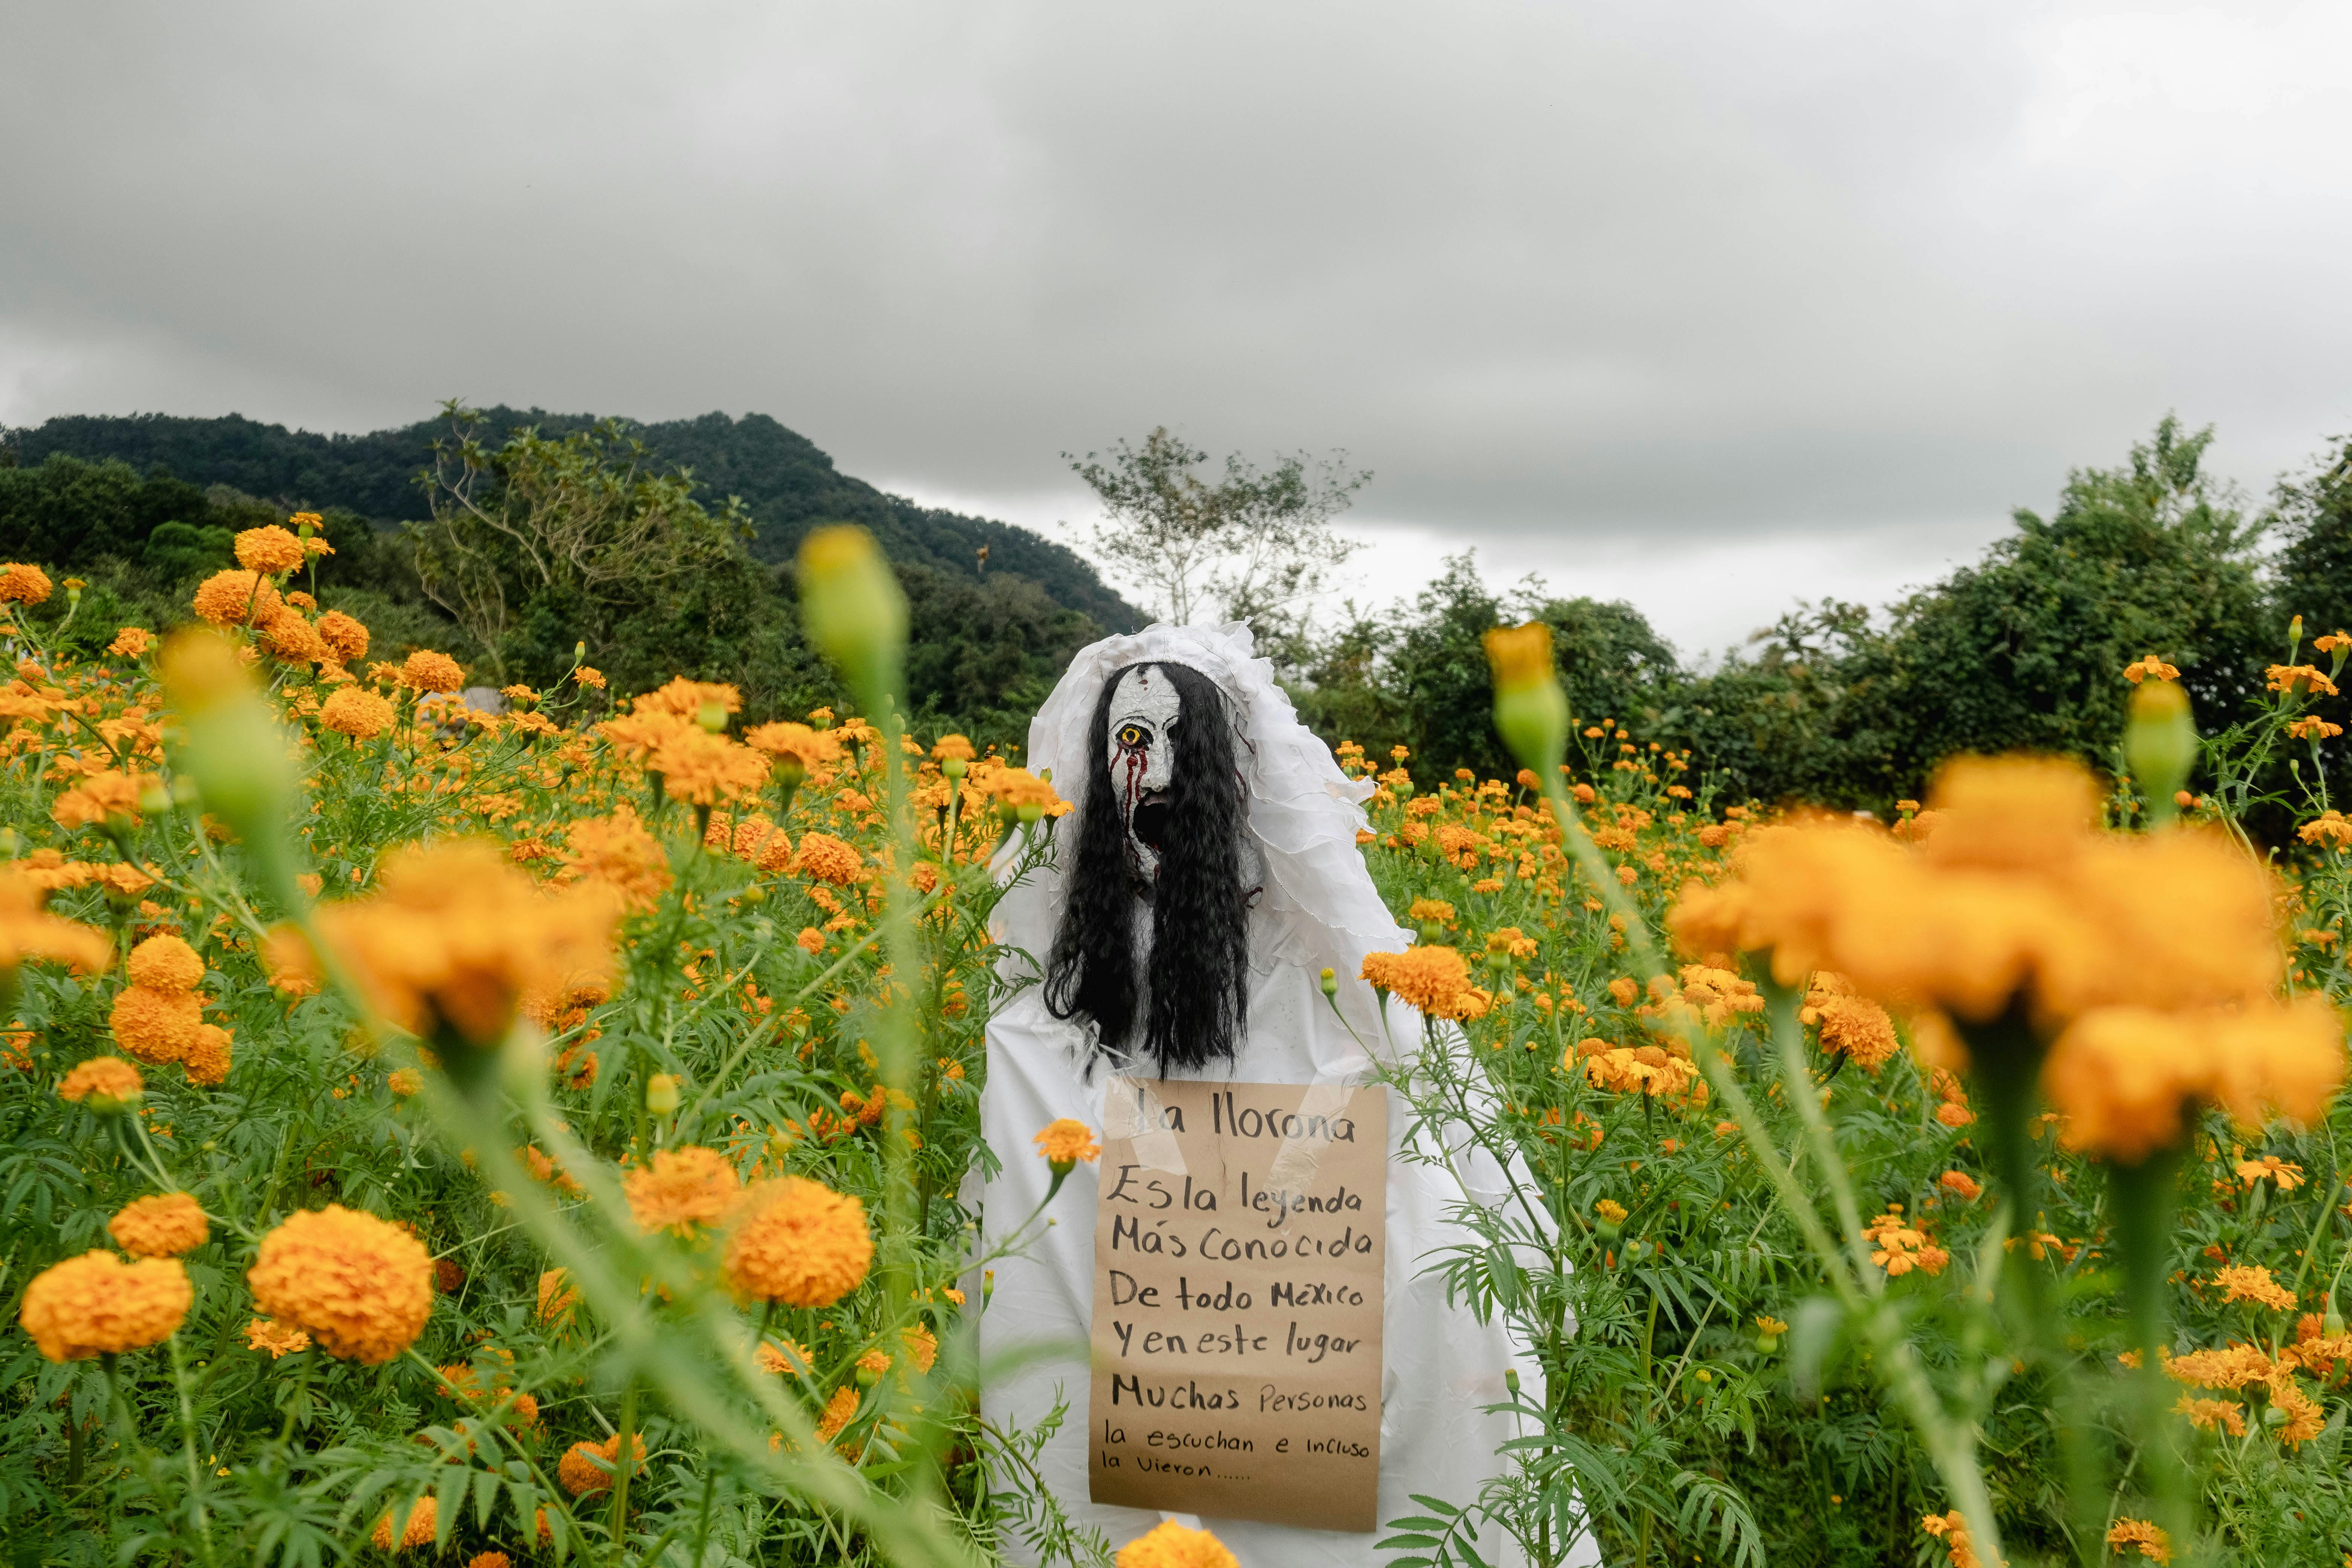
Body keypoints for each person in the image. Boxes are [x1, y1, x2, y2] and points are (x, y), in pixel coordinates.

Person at [977, 622, 1566, 1567]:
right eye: (1129, 740)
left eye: (1176, 739)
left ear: (1230, 769)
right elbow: (1034, 1125)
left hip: (1298, 1312)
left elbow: (1372, 1071)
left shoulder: (1304, 956)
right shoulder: (1063, 980)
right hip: (1144, 1316)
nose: (1151, 770)